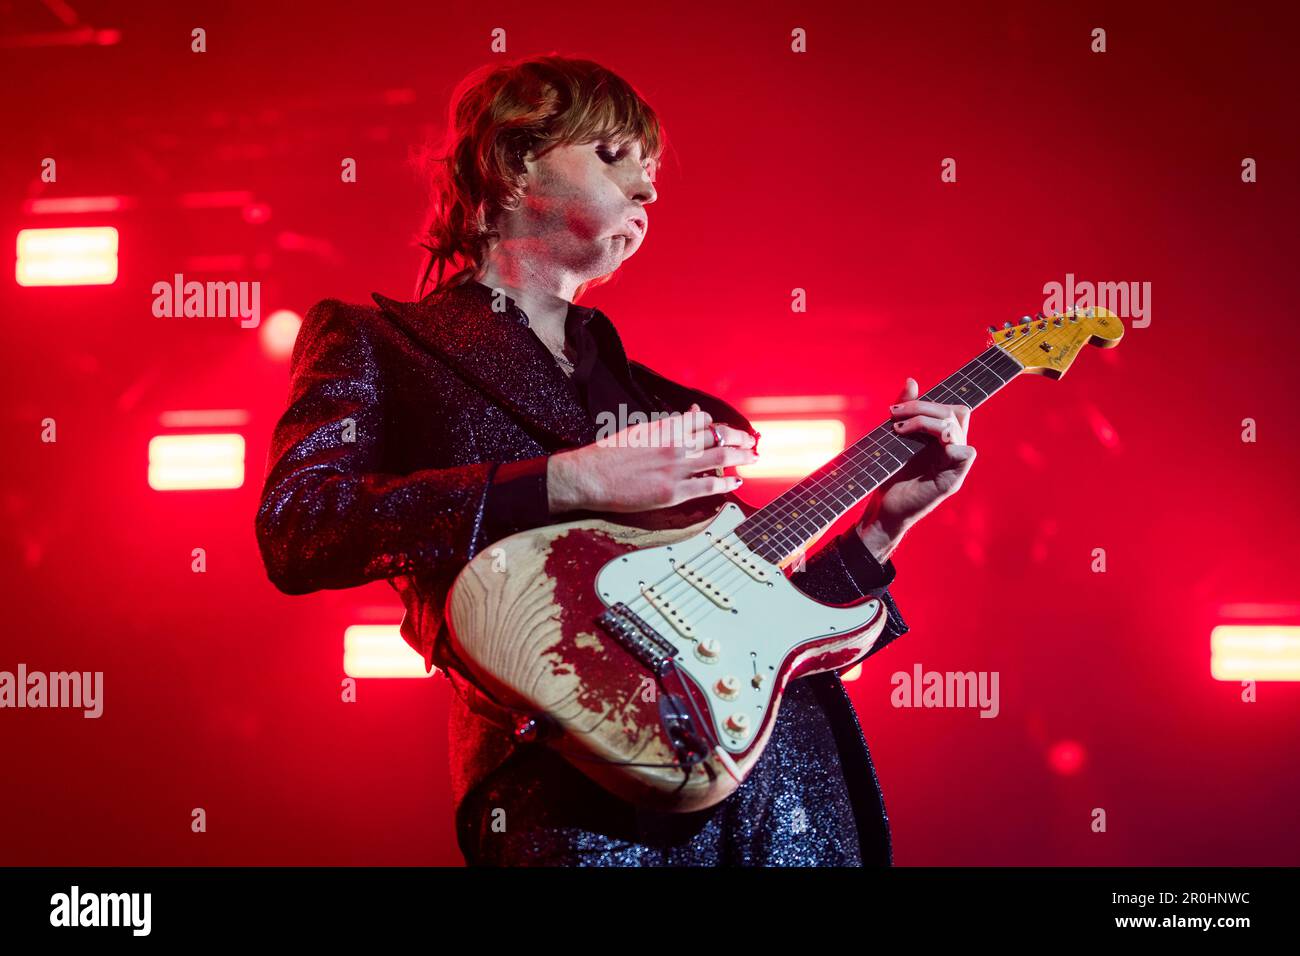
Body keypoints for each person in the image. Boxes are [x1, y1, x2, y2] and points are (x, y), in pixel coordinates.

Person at [255, 54, 976, 866]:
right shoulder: (380, 344)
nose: (649, 190)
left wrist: (881, 528)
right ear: (513, 163)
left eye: (653, 169)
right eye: (613, 156)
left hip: (790, 793)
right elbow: (300, 530)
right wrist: (570, 482)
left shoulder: (685, 412)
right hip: (578, 790)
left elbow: (767, 626)